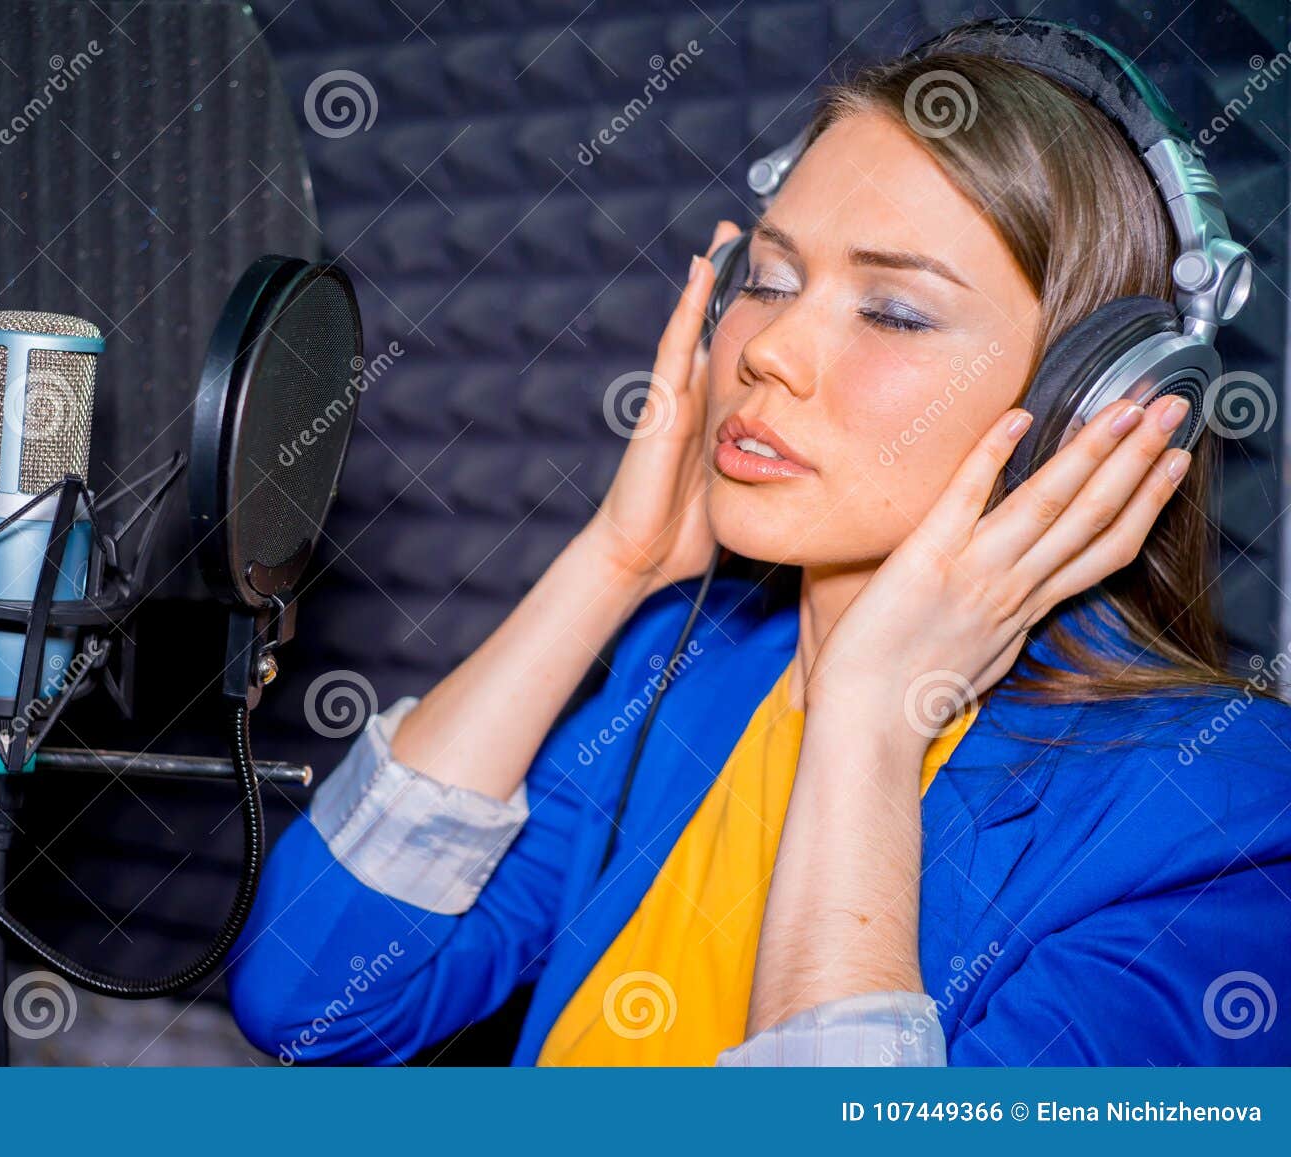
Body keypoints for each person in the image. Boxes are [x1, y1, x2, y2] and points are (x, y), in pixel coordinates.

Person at [225, 20, 1291, 1066]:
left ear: (1095, 406)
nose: (769, 347)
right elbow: (308, 999)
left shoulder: (1217, 817)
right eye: (771, 281)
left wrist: (870, 725)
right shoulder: (691, 677)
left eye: (894, 312)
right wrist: (615, 563)